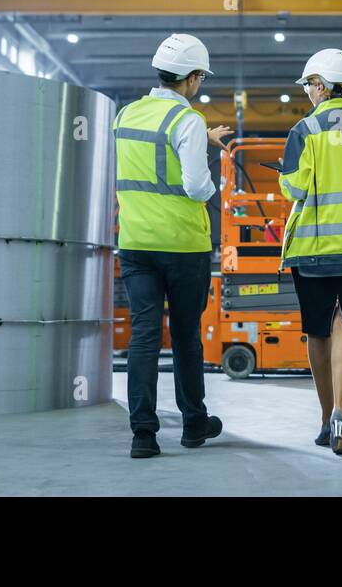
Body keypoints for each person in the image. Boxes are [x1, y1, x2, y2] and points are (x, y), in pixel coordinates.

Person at [113, 33, 231, 459]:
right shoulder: (188, 122)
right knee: (185, 335)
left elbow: (146, 163)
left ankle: (143, 433)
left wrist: (202, 139)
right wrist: (206, 157)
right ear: (193, 78)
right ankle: (194, 424)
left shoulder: (126, 114)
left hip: (135, 243)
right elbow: (197, 187)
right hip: (182, 245)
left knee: (144, 335)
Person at [278, 48, 342, 455]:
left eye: (308, 85)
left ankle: (325, 421)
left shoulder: (305, 130)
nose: (307, 92)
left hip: (315, 248)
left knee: (318, 331)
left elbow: (295, 188)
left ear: (321, 85)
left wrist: (289, 174)